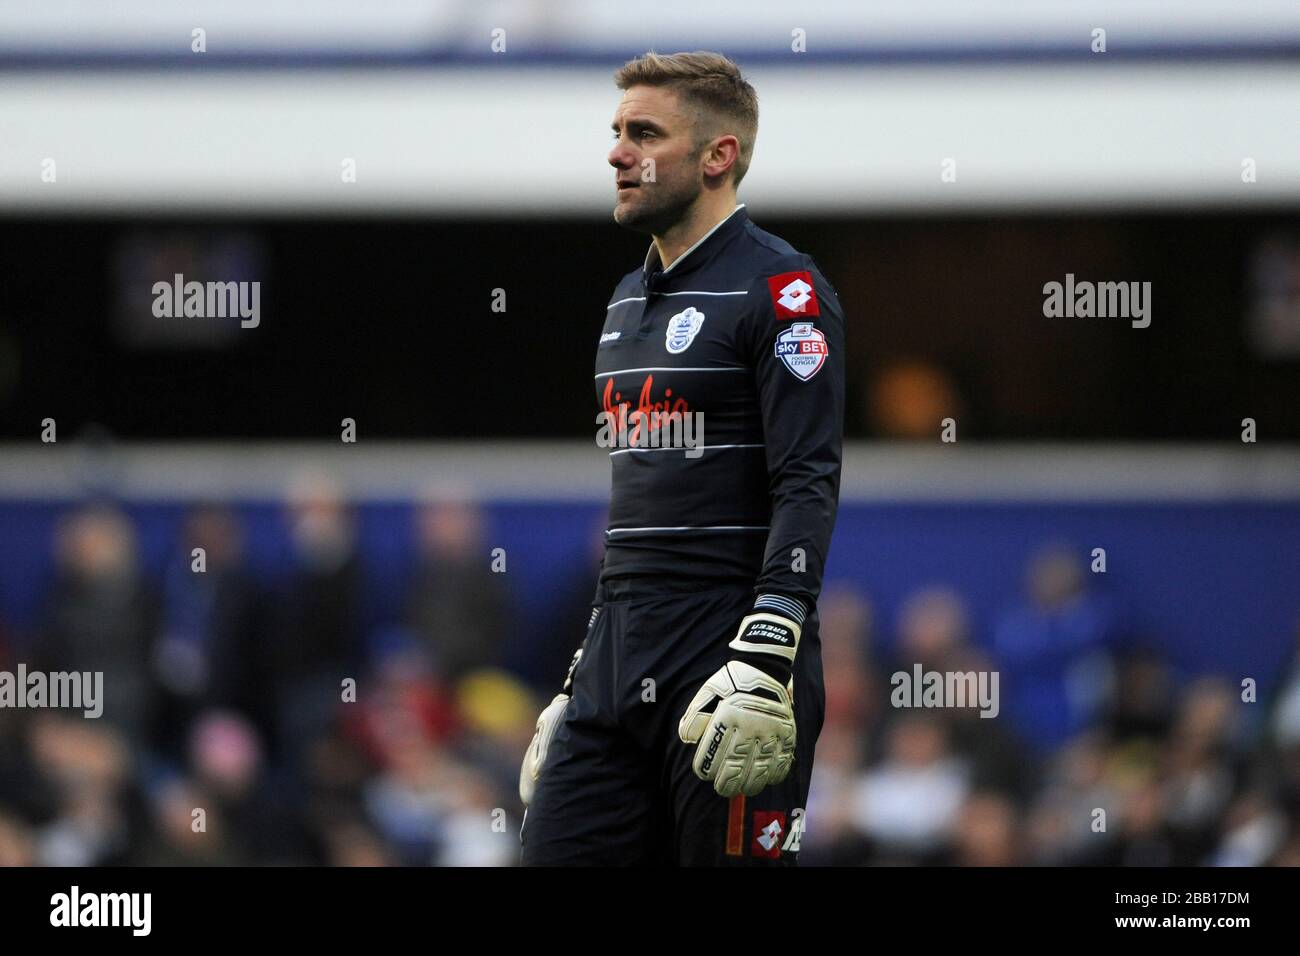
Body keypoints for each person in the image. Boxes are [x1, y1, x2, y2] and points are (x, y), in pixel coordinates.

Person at [518, 51, 845, 865]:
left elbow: (806, 480)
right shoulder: (626, 299)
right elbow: (639, 511)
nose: (617, 152)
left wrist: (769, 650)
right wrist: (581, 673)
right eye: (617, 132)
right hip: (615, 658)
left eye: (644, 133)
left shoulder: (784, 290)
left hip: (728, 652)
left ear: (717, 156)